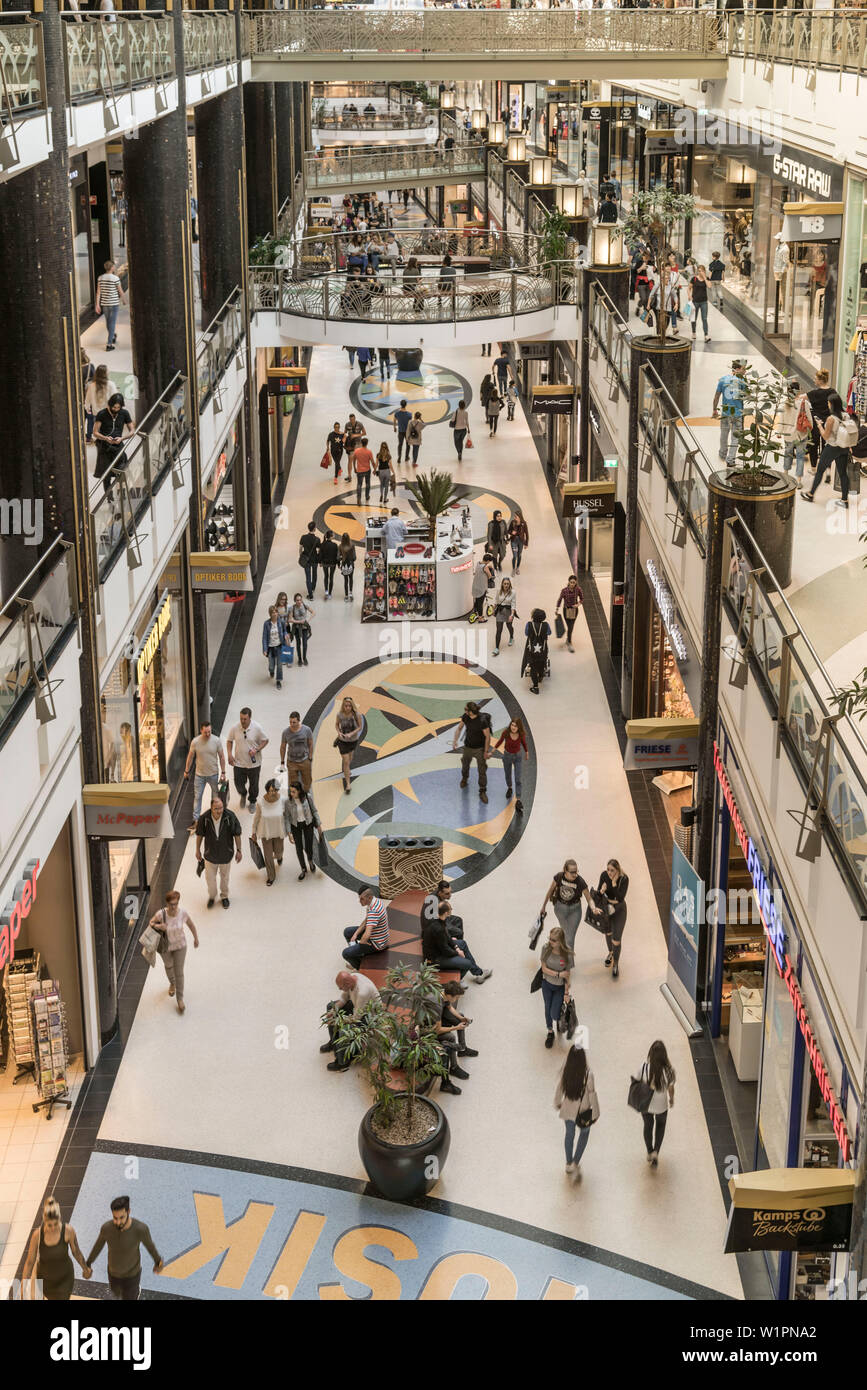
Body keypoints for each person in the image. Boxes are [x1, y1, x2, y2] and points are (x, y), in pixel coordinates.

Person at [84, 1196, 163, 1302]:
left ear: (128, 1211)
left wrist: (158, 1262)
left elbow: (150, 1247)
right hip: (113, 1274)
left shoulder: (140, 1229)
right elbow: (97, 1247)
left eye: (121, 1217)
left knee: (129, 1298)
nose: (118, 1222)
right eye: (115, 1218)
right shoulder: (106, 1228)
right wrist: (88, 1264)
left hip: (132, 1275)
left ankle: (135, 1292)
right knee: (116, 1294)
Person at [23, 1197, 90, 1300]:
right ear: (44, 1221)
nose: (53, 1228)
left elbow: (76, 1252)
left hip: (64, 1279)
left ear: (60, 1219)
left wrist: (85, 1268)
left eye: (56, 1224)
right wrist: (23, 1286)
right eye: (50, 1225)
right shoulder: (37, 1236)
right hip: (46, 1280)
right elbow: (29, 1262)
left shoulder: (68, 1231)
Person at [147, 889, 199, 1012]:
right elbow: (151, 923)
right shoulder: (161, 914)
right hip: (166, 947)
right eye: (171, 904)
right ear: (167, 904)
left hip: (180, 946)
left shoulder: (183, 913)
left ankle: (180, 999)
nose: (174, 907)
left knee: (179, 971)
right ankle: (172, 983)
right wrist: (159, 926)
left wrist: (196, 938)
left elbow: (191, 925)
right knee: (169, 966)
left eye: (176, 904)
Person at [802, 391, 854, 509]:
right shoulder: (846, 415)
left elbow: (825, 436)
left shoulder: (831, 419)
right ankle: (845, 500)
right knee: (842, 474)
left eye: (828, 403)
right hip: (844, 447)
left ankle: (810, 494)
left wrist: (819, 425)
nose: (828, 405)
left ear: (832, 404)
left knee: (820, 471)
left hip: (832, 447)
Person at [322, 970, 381, 1072]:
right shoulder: (353, 977)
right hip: (358, 1007)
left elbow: (356, 1018)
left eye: (340, 987)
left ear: (348, 983)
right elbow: (344, 998)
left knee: (344, 1030)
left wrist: (337, 1021)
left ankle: (342, 1063)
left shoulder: (363, 992)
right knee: (330, 1006)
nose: (339, 989)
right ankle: (333, 1042)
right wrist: (333, 1011)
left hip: (369, 1017)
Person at [555, 1045, 600, 1174]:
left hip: (568, 1110)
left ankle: (568, 1163)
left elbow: (559, 1089)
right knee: (584, 1134)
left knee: (569, 1134)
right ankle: (576, 1161)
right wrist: (595, 1113)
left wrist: (558, 1102)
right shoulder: (588, 1075)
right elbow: (592, 1094)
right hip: (583, 1112)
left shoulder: (566, 1071)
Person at [541, 857, 599, 951]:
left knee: (570, 937)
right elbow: (550, 891)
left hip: (575, 910)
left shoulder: (580, 881)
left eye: (576, 871)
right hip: (560, 908)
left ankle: (568, 963)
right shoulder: (559, 877)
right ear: (565, 870)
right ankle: (562, 957)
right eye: (572, 872)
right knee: (565, 934)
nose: (575, 874)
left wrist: (593, 908)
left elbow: (589, 898)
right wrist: (543, 906)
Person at [195, 796, 242, 909]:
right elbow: (200, 835)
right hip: (210, 855)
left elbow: (237, 834)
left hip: (226, 854)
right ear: (211, 808)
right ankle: (212, 896)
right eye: (216, 808)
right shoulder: (205, 818)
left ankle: (224, 896)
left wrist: (239, 850)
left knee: (225, 878)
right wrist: (197, 850)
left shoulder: (230, 816)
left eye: (221, 807)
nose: (219, 811)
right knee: (210, 879)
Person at [638, 1040, 676, 1166]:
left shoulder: (643, 1067)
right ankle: (656, 1152)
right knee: (660, 1127)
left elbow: (638, 1083)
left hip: (646, 1105)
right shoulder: (669, 1071)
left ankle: (649, 1150)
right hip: (661, 1106)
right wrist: (671, 1099)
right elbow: (671, 1089)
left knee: (648, 1126)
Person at [184, 719, 226, 827]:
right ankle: (196, 820)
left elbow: (221, 756)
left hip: (213, 774)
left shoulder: (216, 741)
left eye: (209, 732)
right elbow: (190, 757)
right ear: (201, 731)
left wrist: (223, 772)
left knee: (215, 798)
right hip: (199, 775)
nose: (207, 734)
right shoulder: (195, 742)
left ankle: (215, 817)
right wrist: (186, 770)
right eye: (205, 732)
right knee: (197, 797)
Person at [226, 707, 268, 812]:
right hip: (239, 763)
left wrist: (257, 749)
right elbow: (229, 741)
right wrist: (229, 754)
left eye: (245, 719)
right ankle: (243, 794)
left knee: (254, 785)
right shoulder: (235, 728)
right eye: (241, 718)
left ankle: (252, 801)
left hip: (254, 764)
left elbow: (265, 740)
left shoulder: (257, 728)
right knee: (238, 783)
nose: (242, 721)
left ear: (250, 718)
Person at [539, 924, 573, 1049]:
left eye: (553, 940)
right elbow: (544, 969)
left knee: (554, 1013)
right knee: (547, 1008)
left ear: (560, 942)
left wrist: (566, 992)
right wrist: (558, 974)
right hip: (546, 984)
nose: (550, 941)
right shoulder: (545, 948)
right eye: (549, 938)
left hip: (559, 988)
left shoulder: (566, 953)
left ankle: (558, 1019)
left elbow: (568, 974)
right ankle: (550, 1032)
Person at [452, 699, 492, 804]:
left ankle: (482, 791)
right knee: (465, 765)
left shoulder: (482, 721)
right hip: (468, 747)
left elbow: (487, 737)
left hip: (479, 749)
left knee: (481, 770)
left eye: (466, 709)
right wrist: (455, 740)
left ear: (471, 711)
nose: (464, 711)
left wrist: (486, 751)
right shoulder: (465, 717)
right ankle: (464, 779)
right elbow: (459, 728)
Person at [92, 392, 134, 491]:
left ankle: (120, 493)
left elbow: (132, 431)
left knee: (121, 470)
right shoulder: (102, 414)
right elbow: (95, 432)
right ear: (110, 405)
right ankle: (108, 497)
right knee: (106, 475)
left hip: (118, 445)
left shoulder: (124, 413)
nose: (115, 409)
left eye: (118, 407)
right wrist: (106, 438)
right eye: (114, 407)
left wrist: (122, 438)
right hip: (104, 446)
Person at [775, 379, 812, 482]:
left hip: (788, 435)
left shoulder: (785, 404)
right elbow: (809, 419)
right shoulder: (804, 404)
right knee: (800, 457)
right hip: (801, 434)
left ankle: (786, 475)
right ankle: (799, 480)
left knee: (788, 454)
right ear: (799, 391)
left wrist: (779, 432)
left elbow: (781, 420)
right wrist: (810, 430)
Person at [283, 780, 322, 880]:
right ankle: (303, 868)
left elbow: (314, 810)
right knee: (298, 848)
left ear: (299, 791)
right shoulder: (288, 802)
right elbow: (286, 817)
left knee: (309, 845)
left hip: (307, 824)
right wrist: (289, 832)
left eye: (294, 791)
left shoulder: (307, 797)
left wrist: (319, 825)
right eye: (290, 791)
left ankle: (310, 860)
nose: (291, 794)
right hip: (295, 826)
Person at [598, 858, 629, 979]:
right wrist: (602, 890)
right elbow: (599, 894)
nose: (609, 873)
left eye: (612, 870)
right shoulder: (604, 875)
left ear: (618, 869)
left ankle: (616, 963)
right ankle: (611, 953)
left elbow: (620, 898)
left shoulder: (624, 879)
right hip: (607, 908)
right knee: (608, 933)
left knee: (616, 939)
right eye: (608, 869)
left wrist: (614, 883)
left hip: (619, 909)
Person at [343, 886, 390, 965]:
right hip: (376, 935)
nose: (359, 901)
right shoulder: (375, 901)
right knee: (348, 932)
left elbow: (367, 934)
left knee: (346, 954)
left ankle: (359, 966)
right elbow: (366, 921)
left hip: (378, 943)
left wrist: (362, 943)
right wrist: (355, 934)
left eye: (362, 899)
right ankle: (359, 955)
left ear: (369, 897)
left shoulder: (374, 911)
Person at [251, 779, 286, 885]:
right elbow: (256, 818)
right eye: (271, 790)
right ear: (267, 790)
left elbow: (287, 816)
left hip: (279, 831)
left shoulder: (283, 800)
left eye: (275, 790)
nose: (273, 792)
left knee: (279, 851)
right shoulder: (261, 803)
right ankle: (271, 876)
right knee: (268, 856)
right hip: (265, 832)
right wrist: (253, 832)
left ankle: (279, 857)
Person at [712, 359, 746, 464]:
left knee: (724, 433)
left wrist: (714, 409)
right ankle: (730, 459)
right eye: (743, 369)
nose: (745, 371)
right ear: (737, 369)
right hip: (737, 413)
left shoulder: (722, 380)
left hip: (726, 412)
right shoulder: (741, 381)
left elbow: (717, 396)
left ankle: (722, 453)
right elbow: (744, 396)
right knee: (735, 437)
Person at [494, 716, 528, 810]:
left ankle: (518, 799)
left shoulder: (521, 734)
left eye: (516, 726)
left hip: (518, 757)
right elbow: (500, 741)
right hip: (507, 756)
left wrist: (527, 752)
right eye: (512, 725)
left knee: (518, 778)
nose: (513, 727)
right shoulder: (506, 732)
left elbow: (524, 743)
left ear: (519, 728)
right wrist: (493, 750)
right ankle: (509, 787)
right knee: (507, 775)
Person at [807, 366, 835, 470]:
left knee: (813, 445)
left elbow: (799, 398)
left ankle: (814, 468)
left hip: (816, 422)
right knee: (827, 445)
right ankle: (827, 469)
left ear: (820, 380)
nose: (814, 380)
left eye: (815, 379)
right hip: (828, 422)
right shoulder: (833, 392)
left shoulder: (813, 393)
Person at [95, 259, 126, 351]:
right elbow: (120, 291)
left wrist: (97, 304)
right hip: (114, 304)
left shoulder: (100, 278)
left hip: (105, 304)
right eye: (114, 266)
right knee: (111, 323)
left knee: (109, 322)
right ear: (112, 268)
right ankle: (109, 344)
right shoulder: (115, 278)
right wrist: (124, 300)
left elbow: (98, 293)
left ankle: (112, 335)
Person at [280, 710, 314, 790]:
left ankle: (305, 794)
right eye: (290, 722)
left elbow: (311, 743)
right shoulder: (285, 732)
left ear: (299, 721)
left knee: (307, 781)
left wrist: (310, 757)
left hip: (304, 760)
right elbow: (283, 747)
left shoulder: (307, 730)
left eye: (294, 722)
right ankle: (294, 799)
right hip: (292, 762)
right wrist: (282, 762)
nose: (292, 724)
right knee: (293, 783)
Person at [335, 695, 363, 792]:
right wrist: (339, 732)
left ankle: (346, 769)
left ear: (352, 706)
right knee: (346, 761)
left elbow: (360, 727)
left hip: (353, 741)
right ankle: (348, 784)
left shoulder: (356, 715)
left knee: (350, 758)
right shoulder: (339, 715)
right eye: (345, 706)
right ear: (343, 706)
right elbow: (336, 724)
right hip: (342, 741)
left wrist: (351, 733)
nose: (347, 708)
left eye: (349, 706)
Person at [84, 364, 116, 443]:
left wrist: (88, 409)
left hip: (97, 415)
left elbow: (87, 401)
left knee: (99, 436)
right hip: (109, 414)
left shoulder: (91, 386)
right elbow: (116, 400)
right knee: (109, 435)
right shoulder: (111, 385)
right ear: (106, 374)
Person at [522, 607, 551, 694]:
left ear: (533, 616)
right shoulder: (546, 625)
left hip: (532, 649)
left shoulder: (529, 624)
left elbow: (526, 633)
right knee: (542, 662)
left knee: (533, 667)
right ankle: (541, 676)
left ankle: (535, 687)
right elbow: (549, 633)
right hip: (543, 649)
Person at [555, 575, 583, 652]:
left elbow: (582, 599)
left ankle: (569, 642)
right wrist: (557, 608)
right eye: (571, 582)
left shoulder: (578, 589)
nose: (572, 584)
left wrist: (578, 604)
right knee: (569, 626)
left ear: (576, 582)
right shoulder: (564, 590)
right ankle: (569, 640)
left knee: (571, 626)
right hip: (566, 610)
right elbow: (560, 600)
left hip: (574, 611)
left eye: (574, 582)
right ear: (568, 582)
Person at [491, 576, 517, 655]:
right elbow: (496, 601)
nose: (506, 585)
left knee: (509, 626)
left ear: (510, 584)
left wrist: (512, 615)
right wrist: (493, 610)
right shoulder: (499, 591)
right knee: (499, 630)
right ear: (502, 584)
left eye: (508, 584)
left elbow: (513, 605)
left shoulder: (513, 592)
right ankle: (496, 648)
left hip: (508, 612)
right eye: (505, 584)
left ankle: (511, 637)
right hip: (500, 612)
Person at [287, 593, 314, 667]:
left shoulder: (305, 606)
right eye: (297, 600)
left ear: (302, 600)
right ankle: (299, 659)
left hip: (304, 628)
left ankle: (304, 658)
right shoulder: (293, 608)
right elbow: (289, 619)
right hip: (296, 628)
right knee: (298, 644)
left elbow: (313, 612)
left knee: (305, 644)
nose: (299, 601)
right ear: (295, 601)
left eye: (300, 600)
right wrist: (298, 622)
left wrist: (307, 620)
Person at [688, 265, 711, 343]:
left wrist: (704, 278)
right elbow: (689, 288)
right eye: (699, 270)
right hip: (695, 301)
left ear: (704, 271)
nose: (700, 272)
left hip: (704, 301)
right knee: (694, 318)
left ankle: (706, 335)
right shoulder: (694, 279)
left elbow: (709, 286)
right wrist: (689, 295)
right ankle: (694, 332)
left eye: (702, 270)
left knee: (704, 318)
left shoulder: (706, 278)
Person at [349, 435, 374, 505]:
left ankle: (359, 498)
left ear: (361, 443)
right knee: (367, 483)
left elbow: (354, 460)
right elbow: (372, 461)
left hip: (359, 470)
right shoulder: (369, 452)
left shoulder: (356, 451)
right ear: (367, 443)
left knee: (359, 484)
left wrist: (354, 468)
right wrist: (375, 469)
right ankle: (367, 496)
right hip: (367, 470)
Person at [299, 521, 320, 600]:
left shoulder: (303, 537)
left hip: (306, 560)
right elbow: (319, 550)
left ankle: (310, 595)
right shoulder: (317, 539)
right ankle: (313, 588)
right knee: (314, 575)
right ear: (314, 529)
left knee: (308, 577)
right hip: (314, 560)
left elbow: (300, 548)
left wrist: (301, 556)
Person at [470, 551, 493, 621]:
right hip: (481, 588)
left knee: (476, 601)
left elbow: (482, 568)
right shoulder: (485, 567)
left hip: (475, 586)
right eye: (489, 562)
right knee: (480, 603)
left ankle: (476, 612)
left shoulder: (478, 563)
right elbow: (489, 576)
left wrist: (487, 566)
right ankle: (480, 618)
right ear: (488, 561)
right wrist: (489, 568)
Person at [319, 529, 339, 599]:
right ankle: (330, 594)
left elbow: (320, 554)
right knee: (331, 577)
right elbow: (337, 556)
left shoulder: (322, 544)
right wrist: (338, 564)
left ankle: (326, 591)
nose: (334, 535)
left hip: (325, 563)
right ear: (331, 537)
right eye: (333, 534)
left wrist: (320, 562)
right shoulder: (335, 545)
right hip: (333, 564)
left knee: (326, 576)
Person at [391, 399, 412, 464]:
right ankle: (406, 457)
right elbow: (410, 423)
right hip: (407, 432)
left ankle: (399, 457)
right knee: (408, 445)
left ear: (400, 405)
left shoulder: (397, 413)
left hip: (400, 431)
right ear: (406, 405)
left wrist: (394, 427)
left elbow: (394, 420)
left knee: (400, 444)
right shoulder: (409, 414)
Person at [338, 532, 357, 601]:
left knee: (345, 580)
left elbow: (338, 557)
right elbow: (354, 557)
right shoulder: (352, 545)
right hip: (351, 564)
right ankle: (351, 594)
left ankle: (346, 596)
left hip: (344, 565)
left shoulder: (340, 546)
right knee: (351, 578)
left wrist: (341, 559)